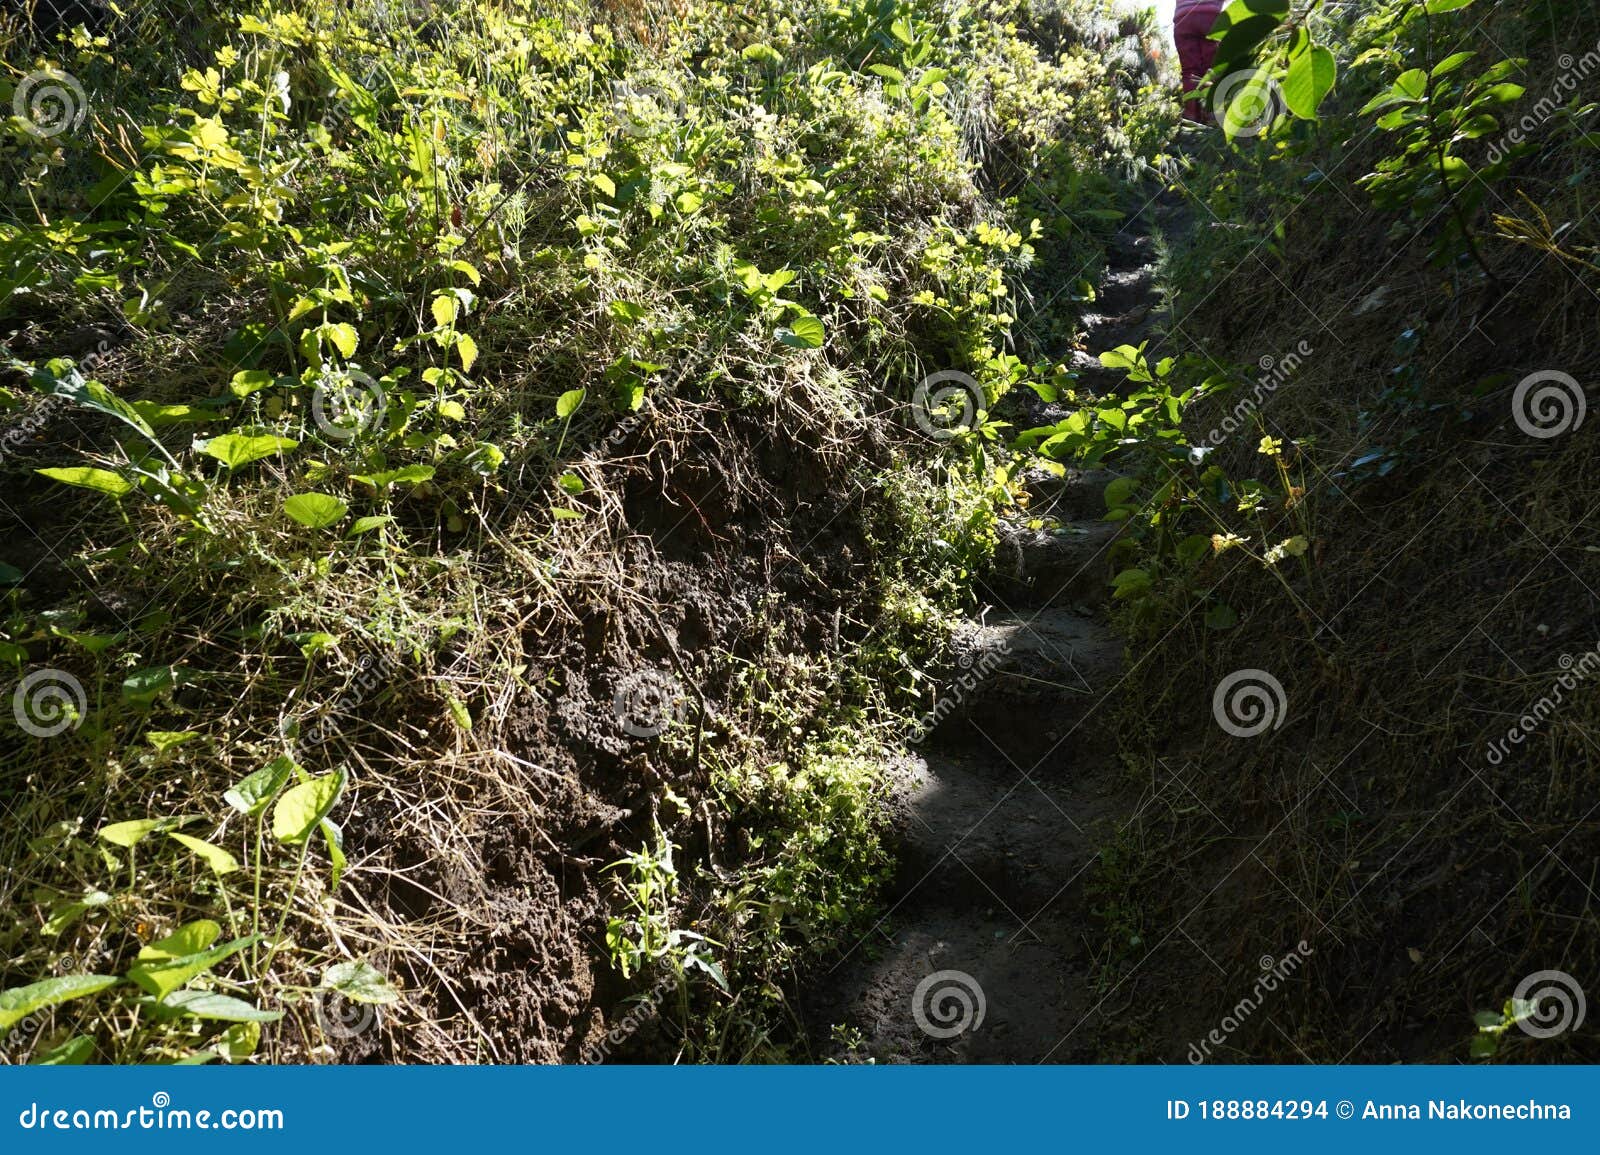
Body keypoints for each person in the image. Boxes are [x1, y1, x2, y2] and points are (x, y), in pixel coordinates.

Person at [1174, 0, 1226, 123]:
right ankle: (1214, 115)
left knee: (1189, 71)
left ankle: (1191, 116)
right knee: (1214, 67)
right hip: (1211, 14)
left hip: (1182, 18)